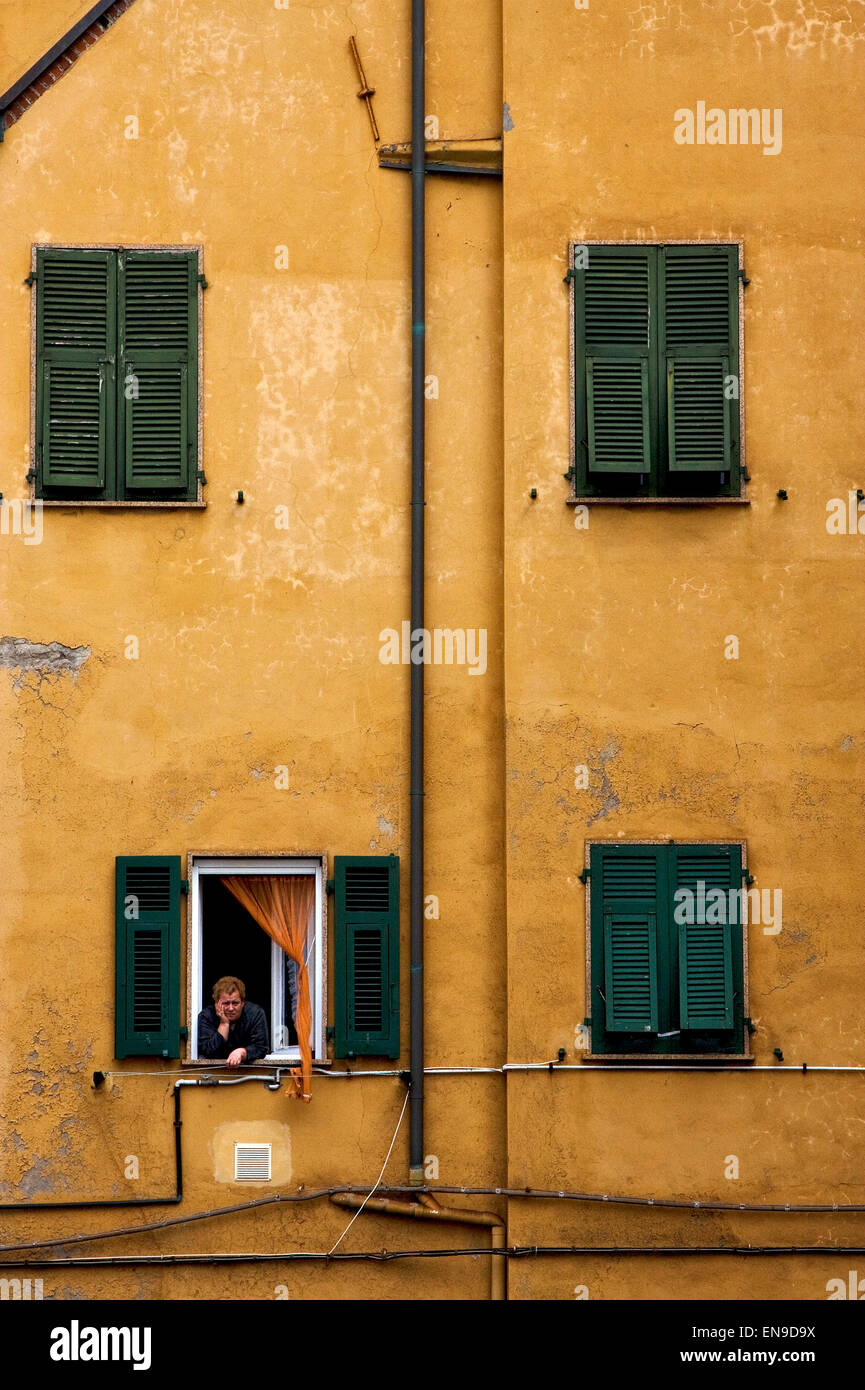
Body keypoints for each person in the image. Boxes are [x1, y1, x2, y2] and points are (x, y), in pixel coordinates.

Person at [197, 976, 270, 1067]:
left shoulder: (255, 1013)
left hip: (248, 1074)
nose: (231, 1008)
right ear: (216, 1003)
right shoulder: (206, 1016)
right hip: (213, 1074)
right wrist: (224, 1024)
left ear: (242, 1003)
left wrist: (241, 1052)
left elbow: (261, 1048)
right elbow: (208, 1052)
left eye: (235, 1003)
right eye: (226, 1003)